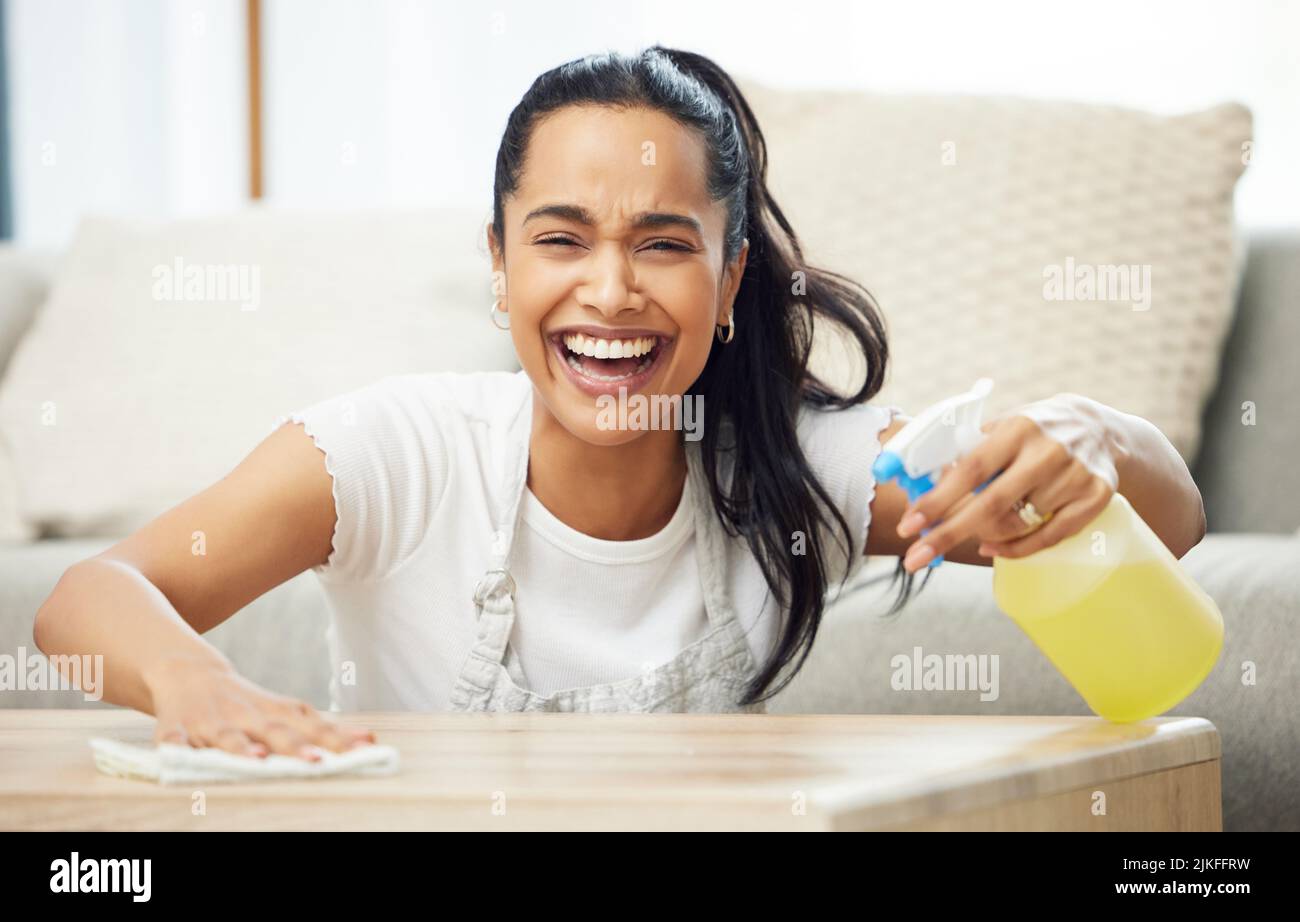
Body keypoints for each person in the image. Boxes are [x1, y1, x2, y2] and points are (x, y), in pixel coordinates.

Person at [33, 46, 1206, 760]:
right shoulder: (396, 453)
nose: (610, 291)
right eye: (560, 239)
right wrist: (197, 682)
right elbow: (89, 593)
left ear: (729, 275)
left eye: (662, 243)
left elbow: (1169, 523)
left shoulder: (802, 475)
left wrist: (1093, 438)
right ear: (498, 264)